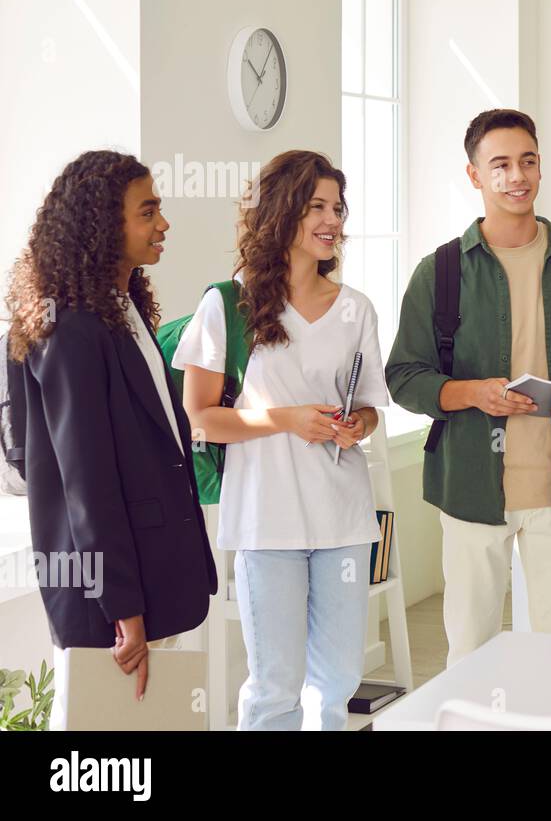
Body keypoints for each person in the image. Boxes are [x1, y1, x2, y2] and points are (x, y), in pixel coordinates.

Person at [386, 109, 551, 666]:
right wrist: (473, 394)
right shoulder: (439, 272)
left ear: (540, 168)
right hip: (471, 489)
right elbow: (404, 376)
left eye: (528, 161)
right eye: (500, 165)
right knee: (470, 654)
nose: (517, 176)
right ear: (474, 175)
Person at [173, 151, 388, 730]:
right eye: (316, 206)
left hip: (343, 518)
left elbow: (369, 406)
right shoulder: (227, 304)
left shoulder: (355, 309)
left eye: (337, 208)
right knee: (274, 686)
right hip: (266, 522)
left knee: (337, 683)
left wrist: (355, 424)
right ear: (281, 211)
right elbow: (202, 418)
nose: (332, 220)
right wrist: (285, 419)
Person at [6, 151, 216, 726]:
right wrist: (124, 608)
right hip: (112, 599)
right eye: (148, 212)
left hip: (145, 580)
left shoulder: (120, 308)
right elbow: (86, 485)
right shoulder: (72, 329)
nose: (163, 224)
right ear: (103, 224)